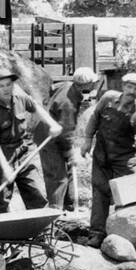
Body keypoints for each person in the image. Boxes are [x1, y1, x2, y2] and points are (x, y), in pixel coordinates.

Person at [79, 71, 136, 242]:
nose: (131, 91)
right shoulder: (108, 98)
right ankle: (97, 234)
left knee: (125, 196)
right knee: (100, 191)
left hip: (124, 159)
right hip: (101, 154)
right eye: (129, 87)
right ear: (123, 87)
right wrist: (87, 140)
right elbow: (94, 118)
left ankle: (122, 236)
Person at [0, 71, 61, 214]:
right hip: (1, 154)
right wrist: (5, 168)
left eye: (9, 84)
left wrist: (52, 124)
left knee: (36, 194)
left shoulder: (21, 99)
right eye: (1, 86)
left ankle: (41, 232)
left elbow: (37, 109)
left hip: (24, 150)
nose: (6, 88)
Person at [41, 66, 101, 210]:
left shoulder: (67, 86)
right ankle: (55, 212)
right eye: (93, 83)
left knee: (68, 171)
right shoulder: (68, 102)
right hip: (49, 138)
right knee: (57, 177)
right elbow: (66, 131)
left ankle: (68, 206)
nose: (95, 85)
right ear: (85, 85)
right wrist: (70, 152)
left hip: (53, 133)